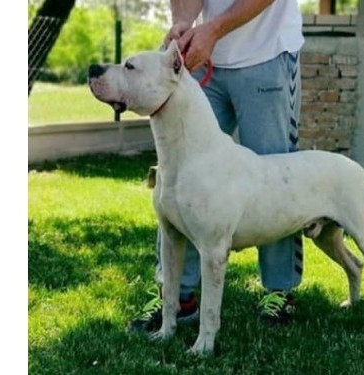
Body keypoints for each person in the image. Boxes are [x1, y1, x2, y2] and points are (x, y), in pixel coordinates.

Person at [131, 0, 305, 331]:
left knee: (279, 176)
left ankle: (279, 290)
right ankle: (177, 296)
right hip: (202, 60)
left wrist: (214, 29)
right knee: (181, 177)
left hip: (267, 55)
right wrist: (183, 21)